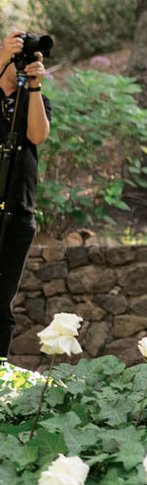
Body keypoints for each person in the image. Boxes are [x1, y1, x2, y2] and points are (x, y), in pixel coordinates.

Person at [0, 29, 51, 359]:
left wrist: (34, 85)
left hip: (19, 210)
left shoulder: (32, 96)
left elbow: (37, 134)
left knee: (1, 301)